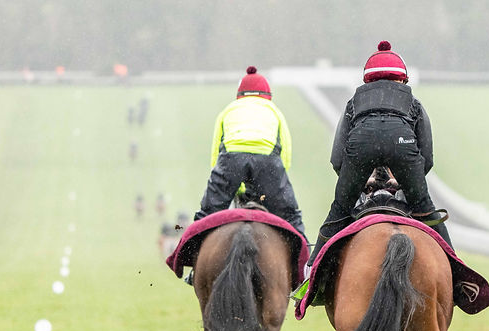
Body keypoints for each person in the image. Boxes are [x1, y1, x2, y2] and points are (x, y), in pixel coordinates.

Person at [307, 41, 451, 268]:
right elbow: (427, 158)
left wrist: (362, 181)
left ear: (368, 81)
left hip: (361, 147)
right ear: (402, 79)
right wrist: (402, 182)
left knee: (339, 211)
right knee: (424, 206)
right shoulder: (413, 102)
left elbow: (337, 160)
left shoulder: (353, 103)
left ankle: (311, 273)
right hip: (402, 145)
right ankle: (457, 276)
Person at [193, 66, 306, 237]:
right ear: (267, 96)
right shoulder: (274, 111)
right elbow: (285, 155)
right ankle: (306, 262)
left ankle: (190, 256)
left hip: (231, 160)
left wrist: (228, 188)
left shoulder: (229, 110)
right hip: (267, 163)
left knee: (207, 214)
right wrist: (272, 186)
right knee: (291, 216)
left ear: (239, 95)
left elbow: (216, 153)